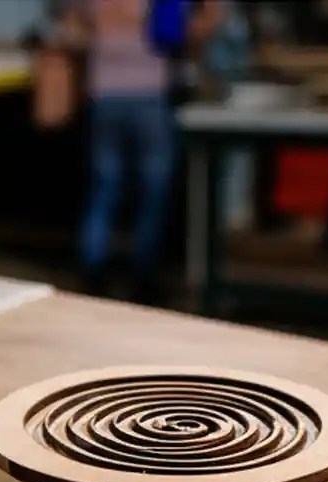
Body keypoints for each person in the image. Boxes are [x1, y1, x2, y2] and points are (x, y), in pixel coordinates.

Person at [61, 0, 222, 303]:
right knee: (153, 191)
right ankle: (143, 276)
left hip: (105, 95)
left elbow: (70, 33)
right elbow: (195, 33)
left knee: (104, 187)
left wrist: (104, 39)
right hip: (148, 96)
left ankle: (93, 273)